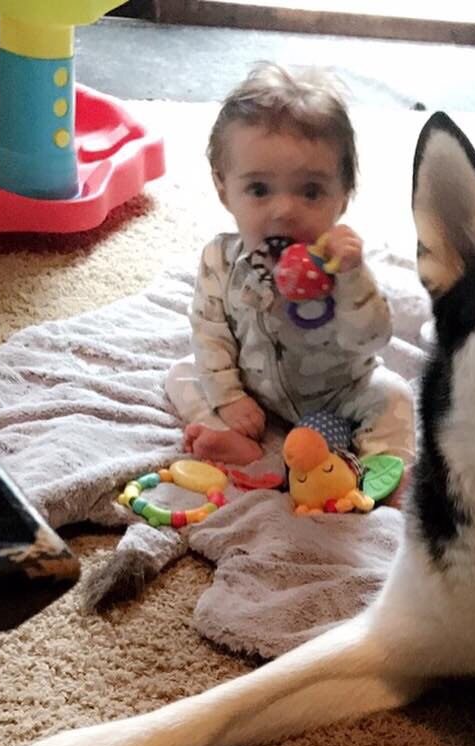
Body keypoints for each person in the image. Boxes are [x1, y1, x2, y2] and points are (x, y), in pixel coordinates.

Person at [166, 64, 415, 468]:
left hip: (340, 392)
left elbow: (370, 339)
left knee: (395, 397)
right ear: (223, 189)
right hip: (254, 392)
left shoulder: (342, 266)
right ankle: (230, 437)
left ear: (344, 196)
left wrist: (351, 276)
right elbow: (210, 334)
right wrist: (229, 397)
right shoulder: (219, 261)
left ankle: (381, 472)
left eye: (311, 191)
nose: (284, 210)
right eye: (259, 189)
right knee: (182, 374)